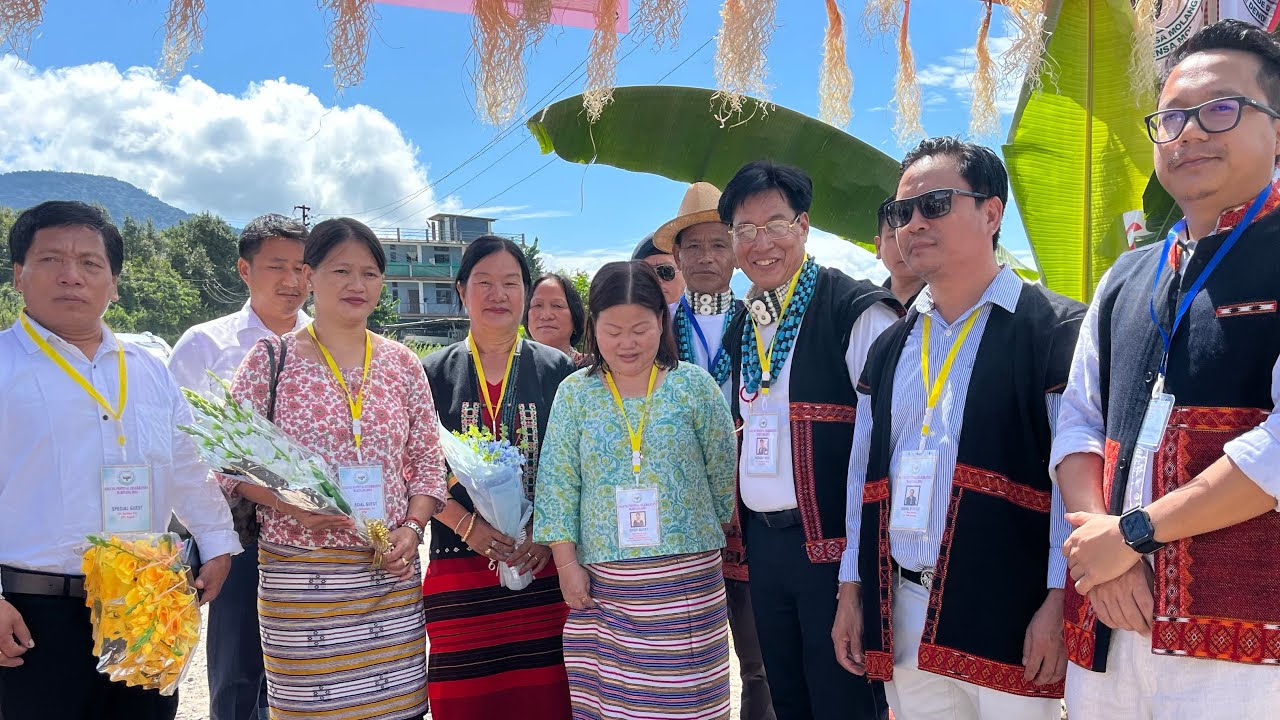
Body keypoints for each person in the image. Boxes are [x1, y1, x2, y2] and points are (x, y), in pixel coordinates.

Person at [1053, 20, 1280, 719]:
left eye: (1220, 109)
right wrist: (1100, 548)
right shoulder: (1127, 275)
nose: (1187, 134)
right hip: (1112, 627)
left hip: (1247, 651)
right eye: (1172, 117)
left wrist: (1133, 534)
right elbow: (1078, 421)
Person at [834, 137, 1082, 720]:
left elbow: (1073, 485)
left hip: (1010, 607)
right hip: (903, 602)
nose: (913, 223)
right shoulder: (891, 346)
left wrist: (1060, 601)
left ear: (991, 213)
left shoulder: (1053, 329)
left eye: (936, 204)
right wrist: (851, 592)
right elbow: (858, 480)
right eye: (902, 212)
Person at [0, 201, 239, 719]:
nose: (71, 276)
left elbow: (185, 462)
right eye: (50, 260)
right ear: (18, 274)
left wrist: (217, 541)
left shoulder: (149, 369)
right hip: (31, 613)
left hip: (145, 603)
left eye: (90, 263)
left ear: (113, 282)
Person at [220, 217, 447, 720]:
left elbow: (429, 461)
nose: (356, 285)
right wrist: (287, 504)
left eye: (369, 273)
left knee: (398, 711)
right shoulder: (270, 359)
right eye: (341, 270)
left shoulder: (403, 363)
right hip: (302, 583)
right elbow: (228, 460)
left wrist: (412, 529)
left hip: (388, 577)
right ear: (310, 276)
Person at [720, 160, 900, 720]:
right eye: (744, 230)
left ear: (803, 225)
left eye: (774, 223)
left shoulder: (853, 310)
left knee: (844, 700)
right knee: (788, 699)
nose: (760, 243)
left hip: (833, 552)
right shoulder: (741, 324)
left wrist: (857, 573)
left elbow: (884, 448)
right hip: (766, 550)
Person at [534, 261, 737, 720]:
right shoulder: (576, 394)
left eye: (641, 328)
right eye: (613, 330)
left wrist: (693, 529)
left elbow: (723, 470)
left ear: (661, 323)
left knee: (689, 702)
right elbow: (559, 482)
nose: (627, 343)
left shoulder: (694, 387)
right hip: (605, 585)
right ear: (593, 328)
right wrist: (567, 565)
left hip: (686, 583)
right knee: (617, 704)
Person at [422, 235, 577, 719]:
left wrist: (542, 535)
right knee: (467, 703)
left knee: (545, 698)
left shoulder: (558, 371)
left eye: (511, 283)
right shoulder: (429, 373)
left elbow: (573, 467)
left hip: (544, 567)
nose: (497, 294)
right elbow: (420, 468)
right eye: (483, 282)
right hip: (457, 568)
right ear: (461, 290)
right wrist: (470, 528)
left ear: (525, 295)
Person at [167, 212, 309, 720]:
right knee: (239, 671)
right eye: (277, 267)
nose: (293, 281)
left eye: (302, 267)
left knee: (306, 666)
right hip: (240, 531)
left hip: (316, 534)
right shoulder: (205, 344)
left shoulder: (327, 342)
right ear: (244, 270)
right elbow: (181, 445)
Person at [655, 180, 776, 720]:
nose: (706, 257)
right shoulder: (655, 330)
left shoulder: (764, 321)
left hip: (748, 510)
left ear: (735, 252)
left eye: (718, 244)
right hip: (674, 513)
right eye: (694, 246)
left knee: (760, 661)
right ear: (677, 256)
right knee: (678, 659)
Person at [526, 272, 589, 366]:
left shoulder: (594, 370)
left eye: (557, 305)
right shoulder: (511, 368)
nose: (546, 315)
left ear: (575, 315)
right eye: (537, 305)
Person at [874, 196, 925, 307]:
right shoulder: (864, 307)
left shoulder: (953, 304)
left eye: (913, 233)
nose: (904, 244)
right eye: (894, 236)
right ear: (878, 247)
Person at [632, 232, 685, 307]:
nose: (657, 280)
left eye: (666, 271)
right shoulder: (619, 316)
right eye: (646, 274)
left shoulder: (704, 316)